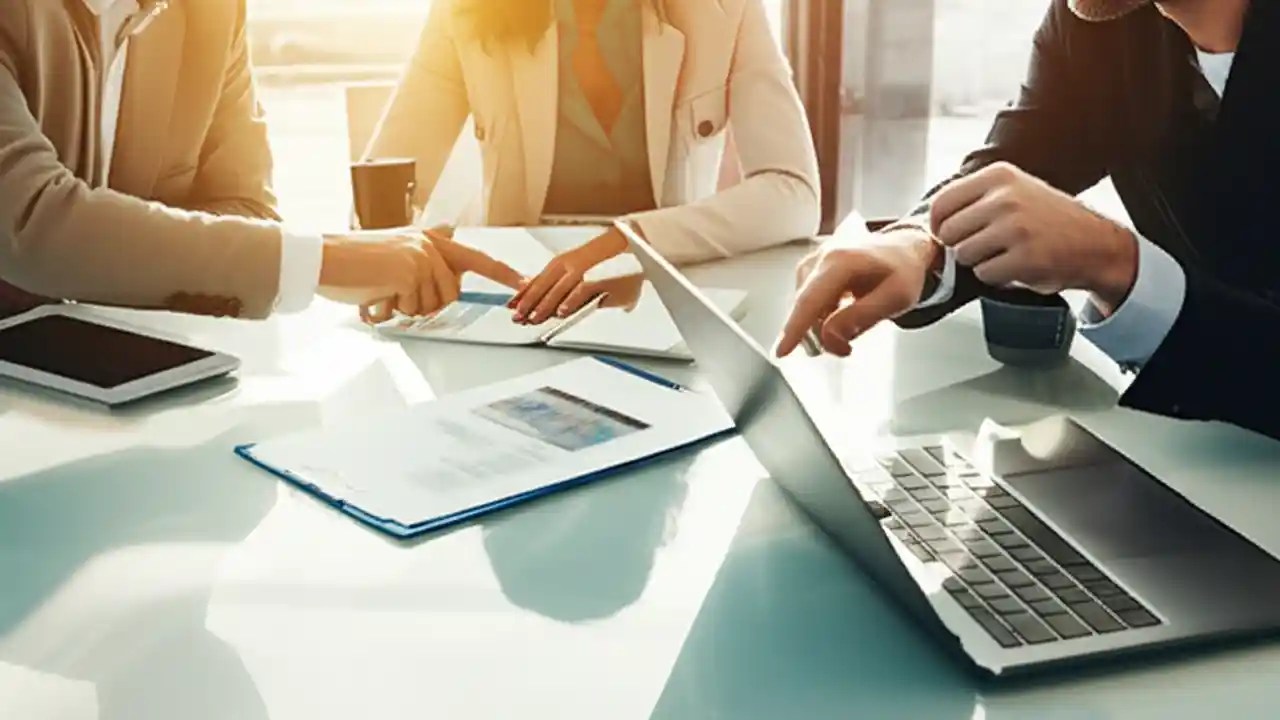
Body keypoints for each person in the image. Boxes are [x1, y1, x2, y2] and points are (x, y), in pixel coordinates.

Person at [777, 0, 1280, 441]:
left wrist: (1117, 265)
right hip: (1204, 459)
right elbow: (1019, 158)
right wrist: (918, 245)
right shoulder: (1097, 23)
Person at [0, 0, 514, 324]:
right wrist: (327, 260)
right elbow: (29, 221)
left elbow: (246, 207)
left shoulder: (209, 13)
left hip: (115, 386)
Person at [366, 0, 821, 325]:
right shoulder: (467, 9)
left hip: (664, 285)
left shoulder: (726, 10)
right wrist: (386, 265)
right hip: (519, 294)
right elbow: (382, 183)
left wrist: (626, 242)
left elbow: (794, 193)